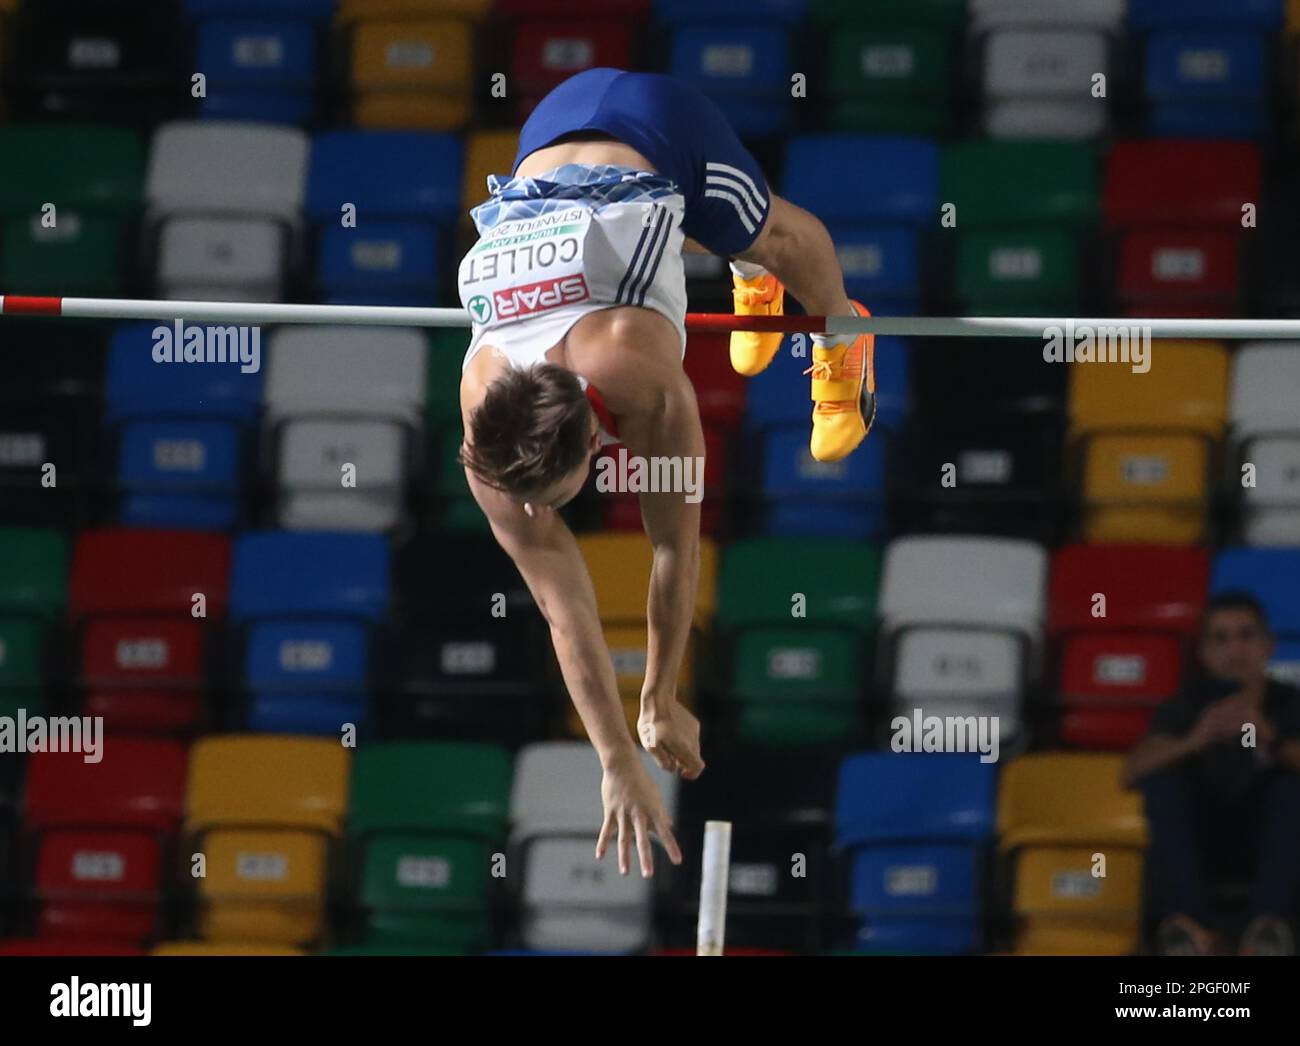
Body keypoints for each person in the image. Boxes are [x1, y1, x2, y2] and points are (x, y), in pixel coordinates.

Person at [456, 68, 874, 878]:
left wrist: (661, 694)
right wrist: (616, 756)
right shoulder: (487, 427)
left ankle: (840, 335)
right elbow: (558, 602)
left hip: (652, 128)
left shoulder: (646, 382)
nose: (543, 514)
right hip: (550, 138)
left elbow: (677, 548)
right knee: (707, 239)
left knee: (771, 235)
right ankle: (743, 270)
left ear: (592, 441)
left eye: (554, 498)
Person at [1122, 591, 1300, 956]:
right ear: (1204, 654)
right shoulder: (1188, 702)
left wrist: (1272, 738)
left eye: (1246, 636)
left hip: (1273, 843)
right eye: (1221, 639)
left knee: (1291, 786)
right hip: (1202, 843)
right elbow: (1131, 772)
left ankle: (1267, 933)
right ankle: (1190, 928)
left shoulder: (1290, 702)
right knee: (1163, 783)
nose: (1234, 650)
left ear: (1268, 646)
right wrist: (1194, 740)